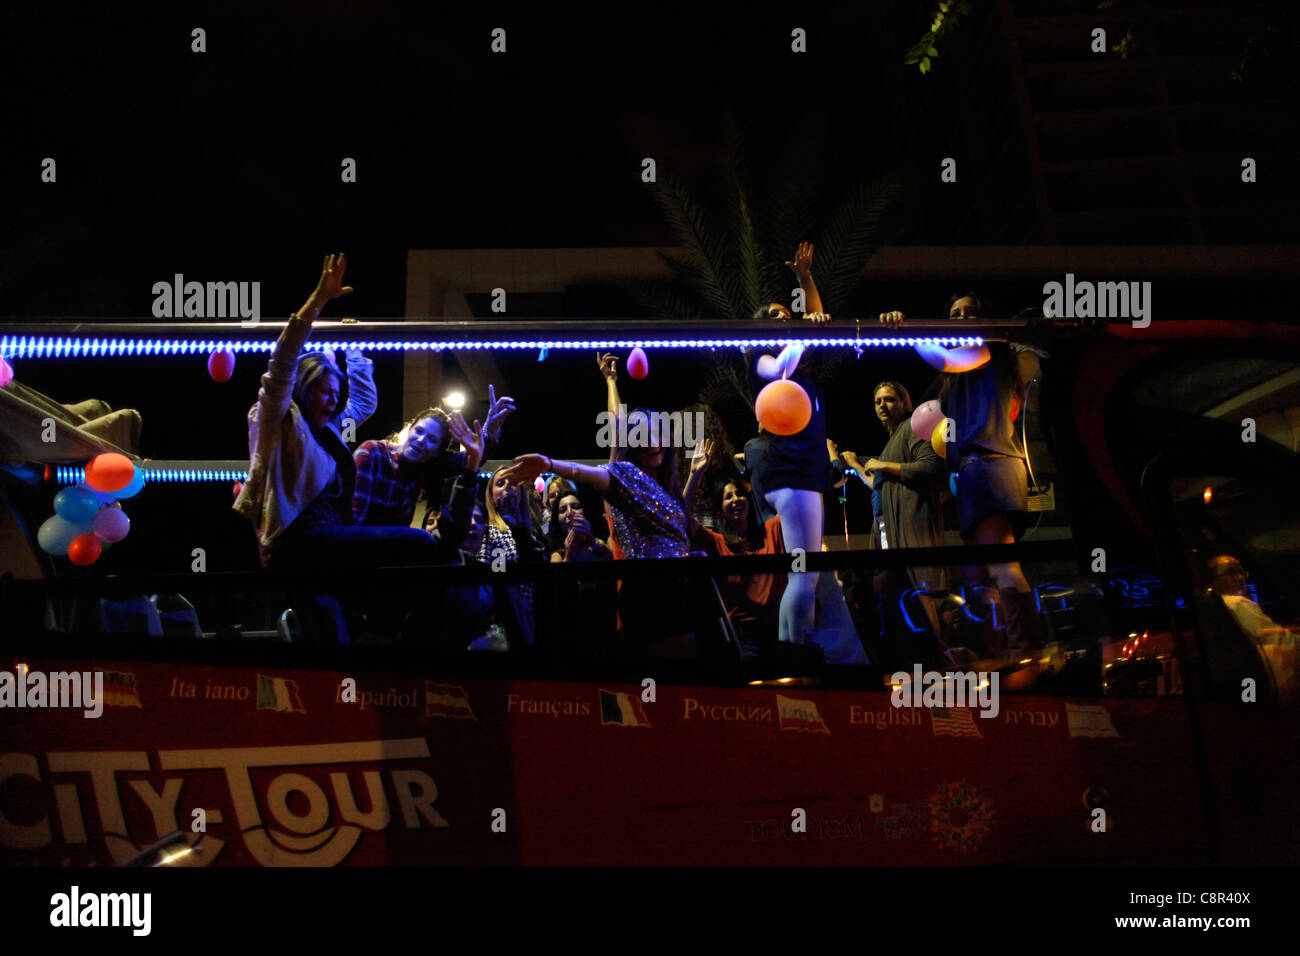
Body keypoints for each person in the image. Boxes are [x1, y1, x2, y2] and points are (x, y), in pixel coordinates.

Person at [234, 254, 483, 574]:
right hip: (296, 536)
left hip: (327, 533)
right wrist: (319, 299)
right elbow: (283, 361)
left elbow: (364, 402)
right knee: (420, 543)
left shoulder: (330, 427)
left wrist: (353, 349)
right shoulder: (278, 419)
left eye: (338, 394)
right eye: (326, 391)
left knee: (419, 552)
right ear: (305, 387)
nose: (334, 400)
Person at [880, 292, 1046, 673]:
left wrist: (905, 331)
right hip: (973, 473)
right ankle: (995, 648)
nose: (963, 318)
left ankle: (1024, 648)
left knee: (999, 560)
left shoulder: (984, 351)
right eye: (955, 313)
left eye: (970, 311)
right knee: (978, 569)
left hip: (990, 467)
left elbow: (943, 358)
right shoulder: (962, 376)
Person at [744, 242, 869, 665]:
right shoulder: (763, 359)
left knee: (807, 571)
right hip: (790, 473)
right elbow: (777, 369)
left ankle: (792, 649)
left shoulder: (804, 363)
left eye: (788, 313)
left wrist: (805, 280)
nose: (787, 318)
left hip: (807, 472)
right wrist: (800, 331)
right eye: (776, 316)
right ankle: (794, 654)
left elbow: (821, 322)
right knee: (804, 571)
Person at [500, 407, 710, 658]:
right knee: (670, 681)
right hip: (652, 591)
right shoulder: (627, 474)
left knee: (688, 680)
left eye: (658, 435)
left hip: (678, 587)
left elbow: (676, 525)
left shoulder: (665, 484)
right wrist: (550, 464)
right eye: (643, 437)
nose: (653, 443)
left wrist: (696, 474)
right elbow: (594, 475)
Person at [841, 381, 948, 664]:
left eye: (889, 399)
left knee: (919, 593)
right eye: (878, 401)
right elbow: (879, 486)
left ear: (905, 403)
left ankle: (937, 656)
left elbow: (930, 467)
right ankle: (912, 658)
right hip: (889, 532)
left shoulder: (914, 427)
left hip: (911, 530)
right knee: (897, 598)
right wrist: (855, 465)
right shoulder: (893, 440)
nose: (882, 406)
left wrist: (882, 465)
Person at [353, 386, 514, 528]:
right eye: (419, 431)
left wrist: (490, 431)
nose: (421, 440)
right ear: (409, 430)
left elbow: (472, 457)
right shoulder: (373, 452)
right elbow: (354, 518)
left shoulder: (425, 468)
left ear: (437, 452)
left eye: (432, 439)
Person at [694, 476, 786, 656]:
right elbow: (682, 518)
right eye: (728, 497)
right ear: (720, 510)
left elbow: (796, 506)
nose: (735, 499)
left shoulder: (771, 530)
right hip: (745, 639)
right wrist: (695, 474)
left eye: (739, 494)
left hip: (781, 631)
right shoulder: (716, 543)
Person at [1208, 554, 1296, 705]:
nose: (1241, 578)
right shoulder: (1238, 603)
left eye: (1242, 572)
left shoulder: (1215, 608)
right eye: (1231, 573)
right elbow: (1281, 640)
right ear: (1213, 580)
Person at [475, 466, 548, 649]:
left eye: (514, 483)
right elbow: (495, 575)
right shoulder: (489, 531)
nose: (508, 487)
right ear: (492, 496)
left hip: (536, 615)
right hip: (509, 620)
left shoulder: (533, 532)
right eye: (500, 483)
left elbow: (541, 574)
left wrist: (521, 533)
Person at [548, 492, 612, 563]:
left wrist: (593, 541)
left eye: (575, 507)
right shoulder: (558, 556)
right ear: (558, 521)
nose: (569, 513)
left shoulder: (605, 541)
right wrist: (568, 556)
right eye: (563, 510)